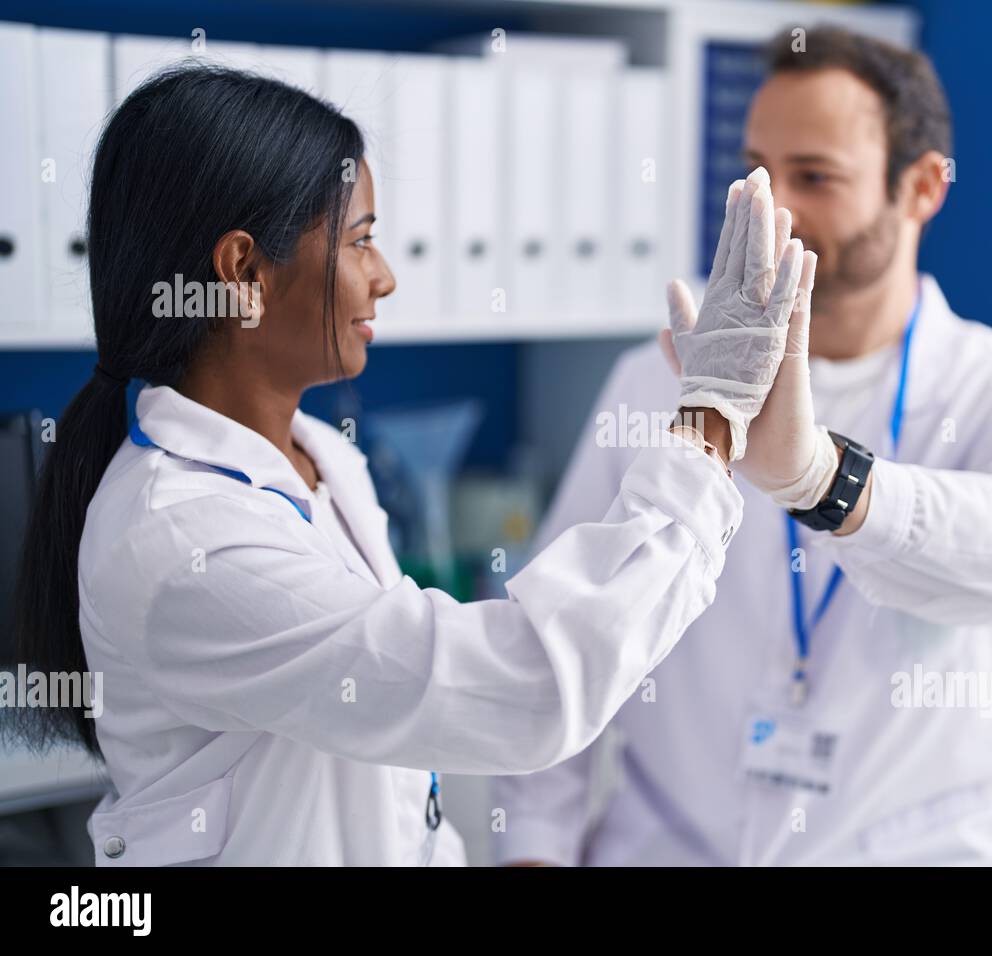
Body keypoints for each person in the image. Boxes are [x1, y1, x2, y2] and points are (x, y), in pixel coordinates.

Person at [9, 64, 814, 865]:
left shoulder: (319, 457)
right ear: (244, 274)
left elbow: (391, 764)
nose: (384, 276)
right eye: (359, 239)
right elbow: (525, 686)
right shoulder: (186, 543)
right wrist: (708, 423)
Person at [493, 26, 992, 866]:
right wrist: (534, 848)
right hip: (664, 845)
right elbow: (563, 624)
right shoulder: (658, 375)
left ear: (923, 187)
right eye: (756, 169)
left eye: (815, 176)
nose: (771, 208)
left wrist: (824, 478)